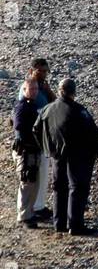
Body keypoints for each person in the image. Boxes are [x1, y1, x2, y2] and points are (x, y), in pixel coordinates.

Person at [37, 79, 98, 237]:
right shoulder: (79, 110)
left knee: (59, 187)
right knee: (77, 188)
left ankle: (59, 223)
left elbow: (37, 129)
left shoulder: (47, 109)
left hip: (56, 155)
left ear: (59, 91)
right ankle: (75, 224)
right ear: (73, 92)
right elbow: (93, 133)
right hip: (77, 155)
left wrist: (48, 148)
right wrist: (94, 150)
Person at [19, 59, 54, 222]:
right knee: (30, 177)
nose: (43, 74)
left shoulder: (43, 88)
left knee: (43, 173)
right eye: (40, 71)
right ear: (31, 70)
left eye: (45, 71)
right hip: (32, 142)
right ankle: (31, 209)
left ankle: (38, 205)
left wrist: (48, 91)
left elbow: (55, 104)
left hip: (43, 139)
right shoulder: (28, 89)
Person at [11, 77, 42, 228]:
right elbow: (18, 126)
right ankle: (24, 215)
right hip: (26, 151)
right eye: (31, 89)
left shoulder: (31, 106)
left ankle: (29, 212)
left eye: (36, 89)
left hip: (32, 150)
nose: (34, 91)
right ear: (24, 90)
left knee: (32, 182)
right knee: (27, 182)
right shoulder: (22, 107)